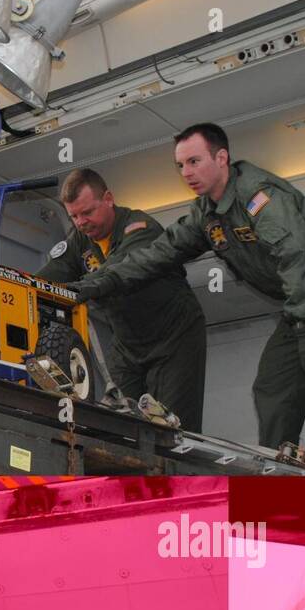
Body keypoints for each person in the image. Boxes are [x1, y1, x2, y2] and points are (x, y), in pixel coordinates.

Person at [67, 123, 305, 465]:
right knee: (274, 385)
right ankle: (279, 472)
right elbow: (158, 254)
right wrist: (98, 283)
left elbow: (296, 252)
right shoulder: (206, 214)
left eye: (194, 161)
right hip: (300, 297)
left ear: (222, 158)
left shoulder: (258, 195)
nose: (186, 172)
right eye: (180, 165)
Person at [38, 167, 207, 432]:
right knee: (116, 424)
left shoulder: (141, 229)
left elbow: (117, 270)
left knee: (172, 429)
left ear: (108, 198)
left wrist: (77, 289)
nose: (81, 222)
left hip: (174, 338)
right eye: (74, 216)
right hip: (128, 345)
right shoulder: (80, 241)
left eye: (87, 212)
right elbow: (47, 280)